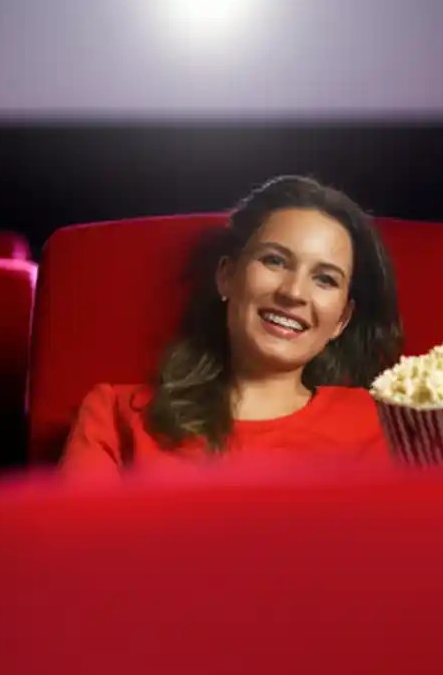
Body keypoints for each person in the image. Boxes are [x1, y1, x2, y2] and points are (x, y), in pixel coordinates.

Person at [59, 175, 403, 477]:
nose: (293, 292)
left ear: (341, 320)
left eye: (325, 279)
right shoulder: (115, 414)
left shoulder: (387, 422)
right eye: (275, 260)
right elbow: (77, 547)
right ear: (227, 276)